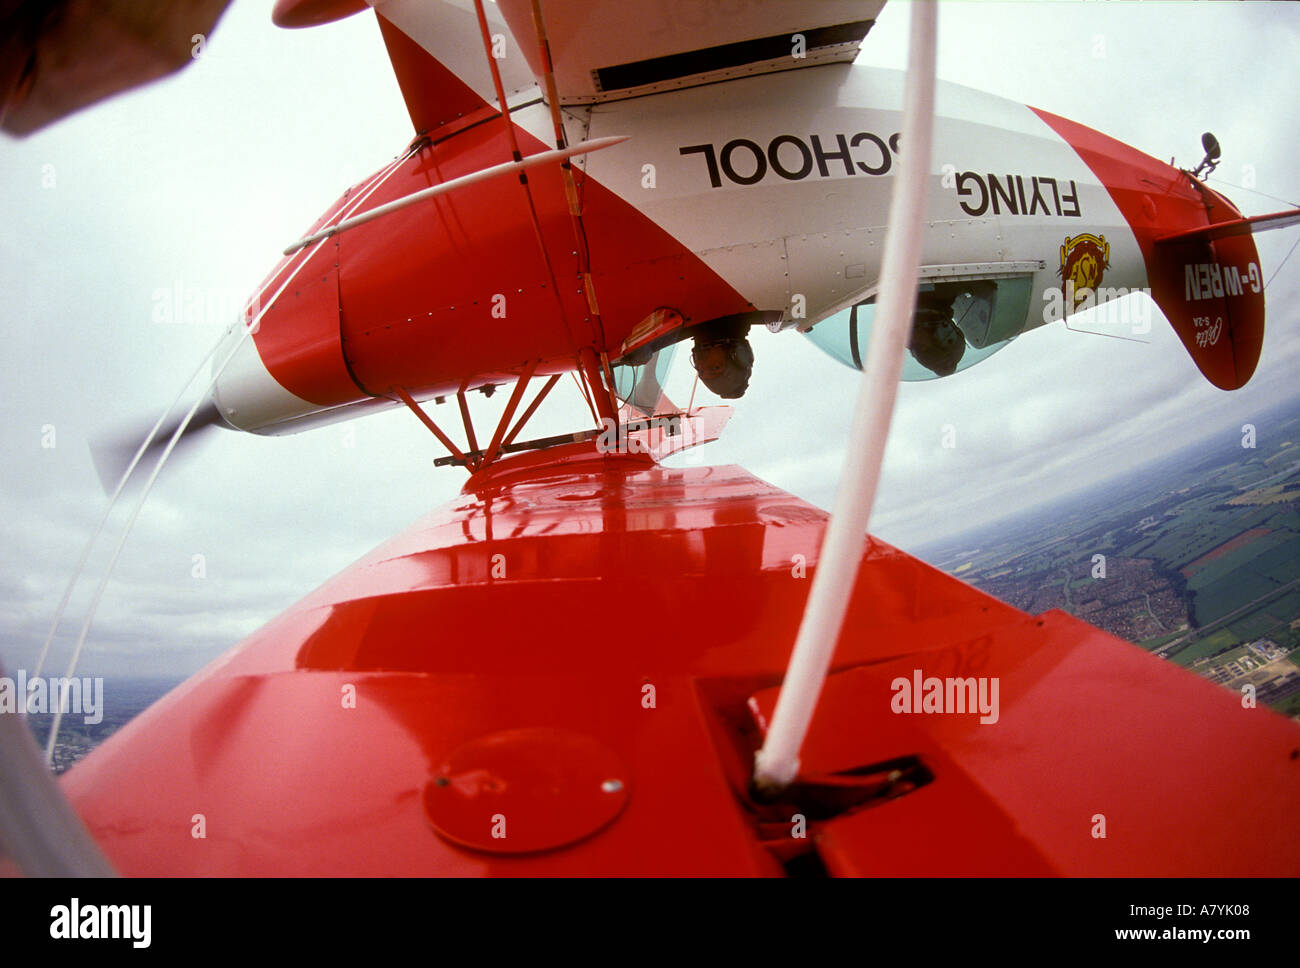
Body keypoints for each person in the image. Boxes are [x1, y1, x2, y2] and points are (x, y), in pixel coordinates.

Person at [688, 317, 754, 398]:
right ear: (737, 353)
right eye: (714, 368)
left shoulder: (688, 322)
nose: (701, 363)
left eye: (700, 371)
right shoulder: (736, 309)